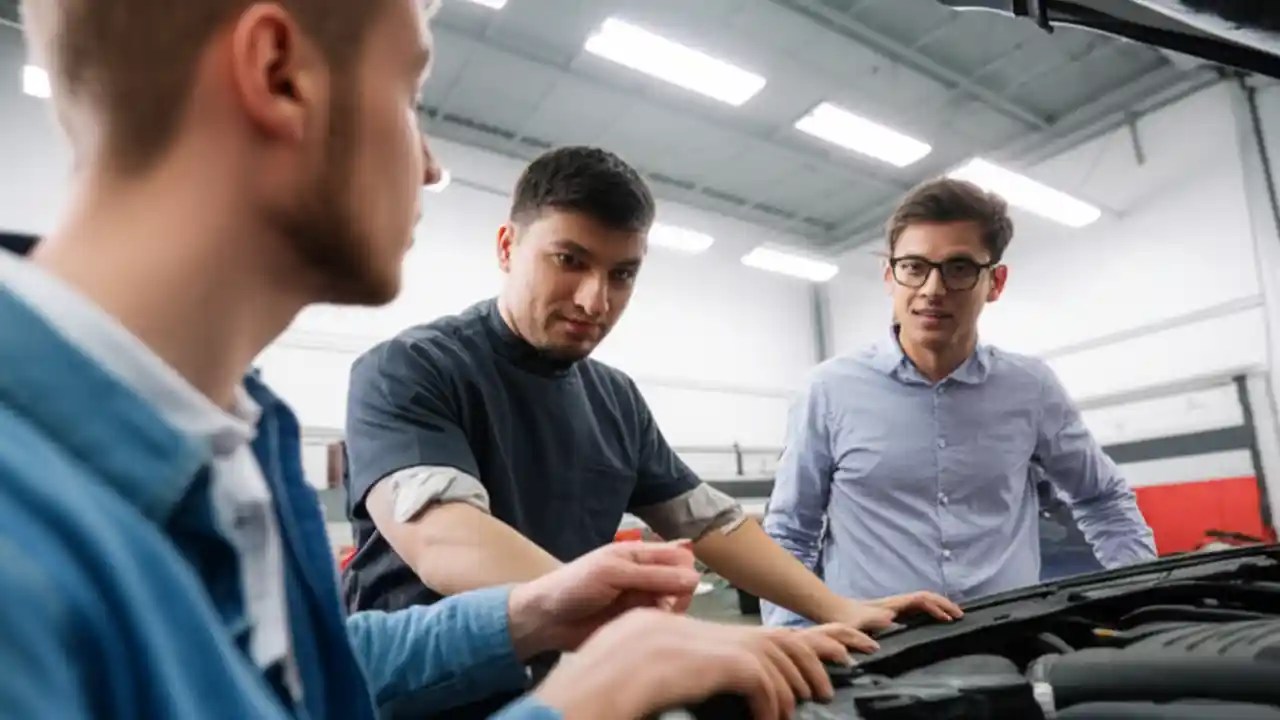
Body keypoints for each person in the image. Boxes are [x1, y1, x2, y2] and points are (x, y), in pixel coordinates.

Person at [0, 1, 867, 718]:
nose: (430, 166)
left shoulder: (236, 436)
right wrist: (584, 699)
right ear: (278, 73)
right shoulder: (26, 531)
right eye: (410, 91)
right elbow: (442, 549)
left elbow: (316, 674)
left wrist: (537, 611)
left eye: (622, 273)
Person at [341, 147, 963, 696]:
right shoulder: (411, 369)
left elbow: (711, 521)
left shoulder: (613, 397)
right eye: (568, 260)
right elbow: (444, 541)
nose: (595, 300)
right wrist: (641, 634)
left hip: (568, 685)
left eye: (622, 274)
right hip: (417, 692)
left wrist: (838, 606)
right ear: (508, 247)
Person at [761, 178, 1157, 627]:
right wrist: (792, 639)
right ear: (889, 275)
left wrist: (1137, 599)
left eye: (959, 268)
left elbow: (1102, 498)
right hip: (875, 649)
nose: (932, 288)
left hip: (1011, 637)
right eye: (914, 266)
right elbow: (791, 531)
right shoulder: (829, 390)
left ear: (995, 282)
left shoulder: (1031, 388)